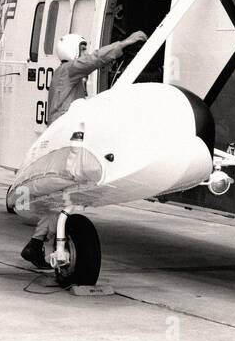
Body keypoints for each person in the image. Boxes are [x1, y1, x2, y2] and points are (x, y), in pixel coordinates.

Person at [21, 30, 148, 269]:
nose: (83, 53)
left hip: (67, 139)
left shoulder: (69, 78)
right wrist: (124, 44)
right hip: (66, 143)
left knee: (62, 197)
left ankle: (36, 243)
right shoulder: (68, 71)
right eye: (80, 49)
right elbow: (93, 60)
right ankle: (37, 243)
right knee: (62, 195)